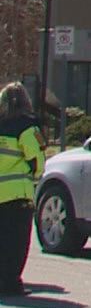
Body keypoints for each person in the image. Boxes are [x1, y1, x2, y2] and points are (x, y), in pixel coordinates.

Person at [0, 82, 45, 297]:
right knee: (16, 244)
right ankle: (10, 283)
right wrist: (35, 178)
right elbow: (36, 159)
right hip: (18, 194)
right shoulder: (27, 126)